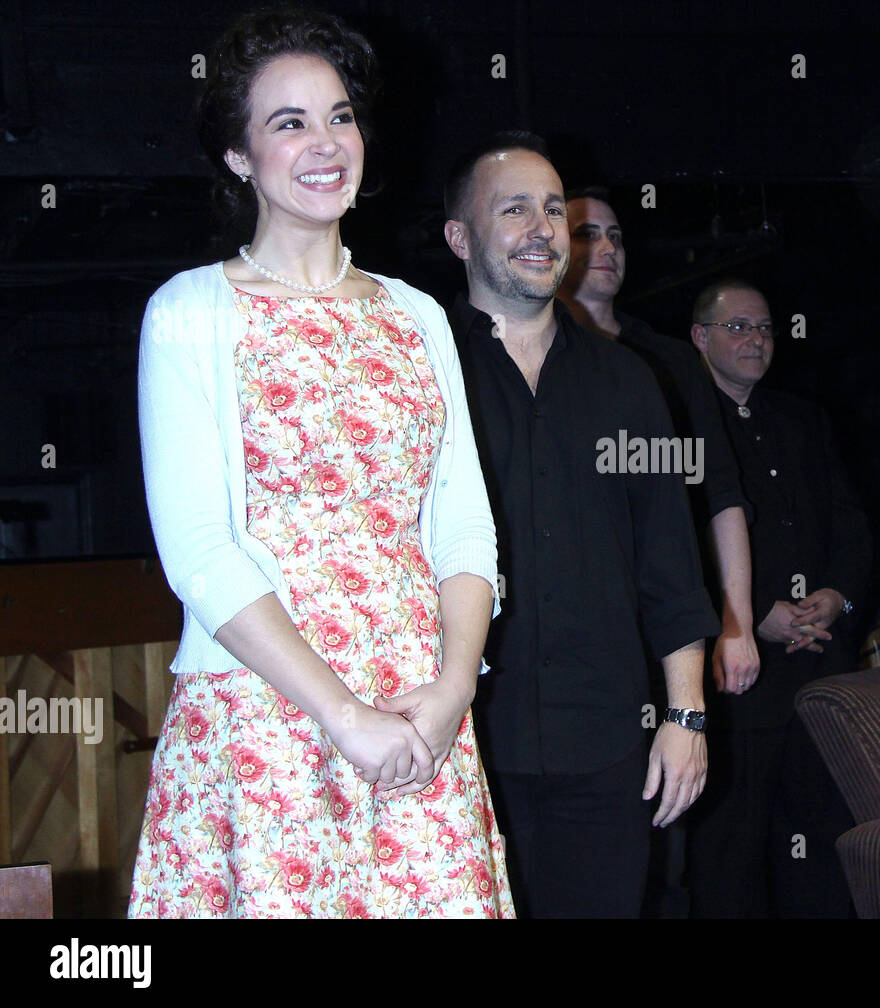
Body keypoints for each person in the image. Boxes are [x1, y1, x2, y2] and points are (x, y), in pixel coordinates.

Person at [128, 9, 511, 918]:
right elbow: (199, 552)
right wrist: (344, 717)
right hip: (268, 718)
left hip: (419, 718)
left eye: (339, 116)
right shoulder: (190, 310)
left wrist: (454, 688)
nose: (324, 143)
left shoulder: (418, 315)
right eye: (288, 122)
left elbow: (462, 522)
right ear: (237, 155)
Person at [442, 133, 719, 917]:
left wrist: (686, 716)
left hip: (606, 748)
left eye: (556, 210)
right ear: (460, 238)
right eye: (515, 209)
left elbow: (671, 564)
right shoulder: (422, 371)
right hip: (456, 745)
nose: (543, 228)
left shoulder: (631, 382)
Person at [557, 188, 759, 916]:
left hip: (665, 635)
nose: (605, 247)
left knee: (666, 839)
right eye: (587, 233)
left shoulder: (670, 363)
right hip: (568, 654)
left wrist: (733, 623)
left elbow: (722, 499)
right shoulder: (520, 355)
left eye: (615, 235)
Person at [687, 278, 870, 917]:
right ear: (699, 338)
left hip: (822, 671)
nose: (756, 340)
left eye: (764, 328)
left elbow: (851, 519)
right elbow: (680, 541)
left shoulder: (803, 418)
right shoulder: (681, 424)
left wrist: (838, 595)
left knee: (826, 839)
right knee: (732, 852)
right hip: (737, 682)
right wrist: (752, 612)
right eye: (737, 327)